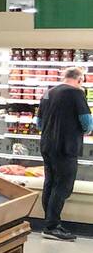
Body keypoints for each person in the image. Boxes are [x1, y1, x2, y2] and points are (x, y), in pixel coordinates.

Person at [36, 65, 92, 241]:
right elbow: (87, 124)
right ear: (80, 79)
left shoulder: (48, 93)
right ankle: (52, 227)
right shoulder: (77, 93)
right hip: (66, 147)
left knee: (50, 183)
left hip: (47, 145)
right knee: (63, 186)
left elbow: (38, 122)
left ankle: (50, 223)